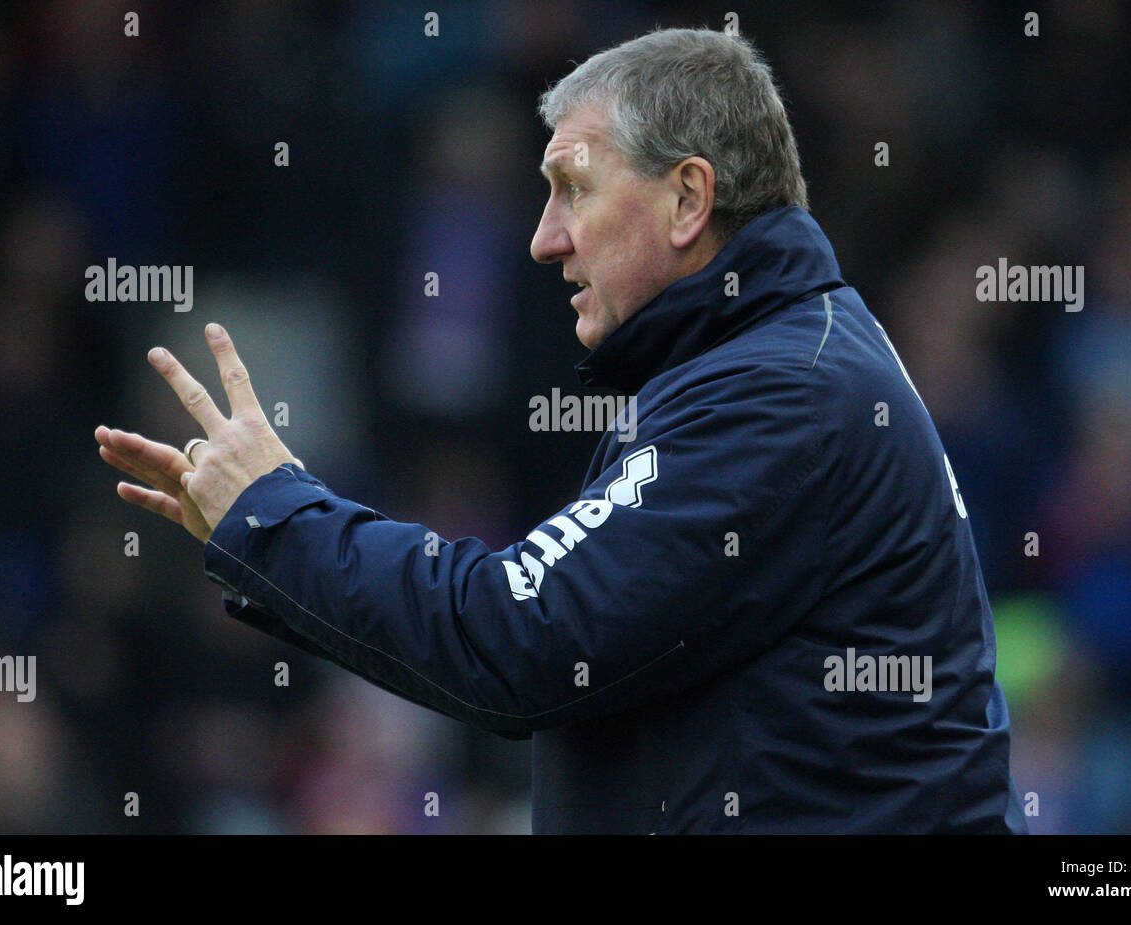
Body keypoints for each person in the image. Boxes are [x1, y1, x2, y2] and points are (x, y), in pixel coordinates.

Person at [95, 28, 1026, 834]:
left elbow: (524, 639)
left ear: (688, 199)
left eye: (571, 188)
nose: (544, 237)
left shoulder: (779, 391)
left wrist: (275, 518)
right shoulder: (773, 361)